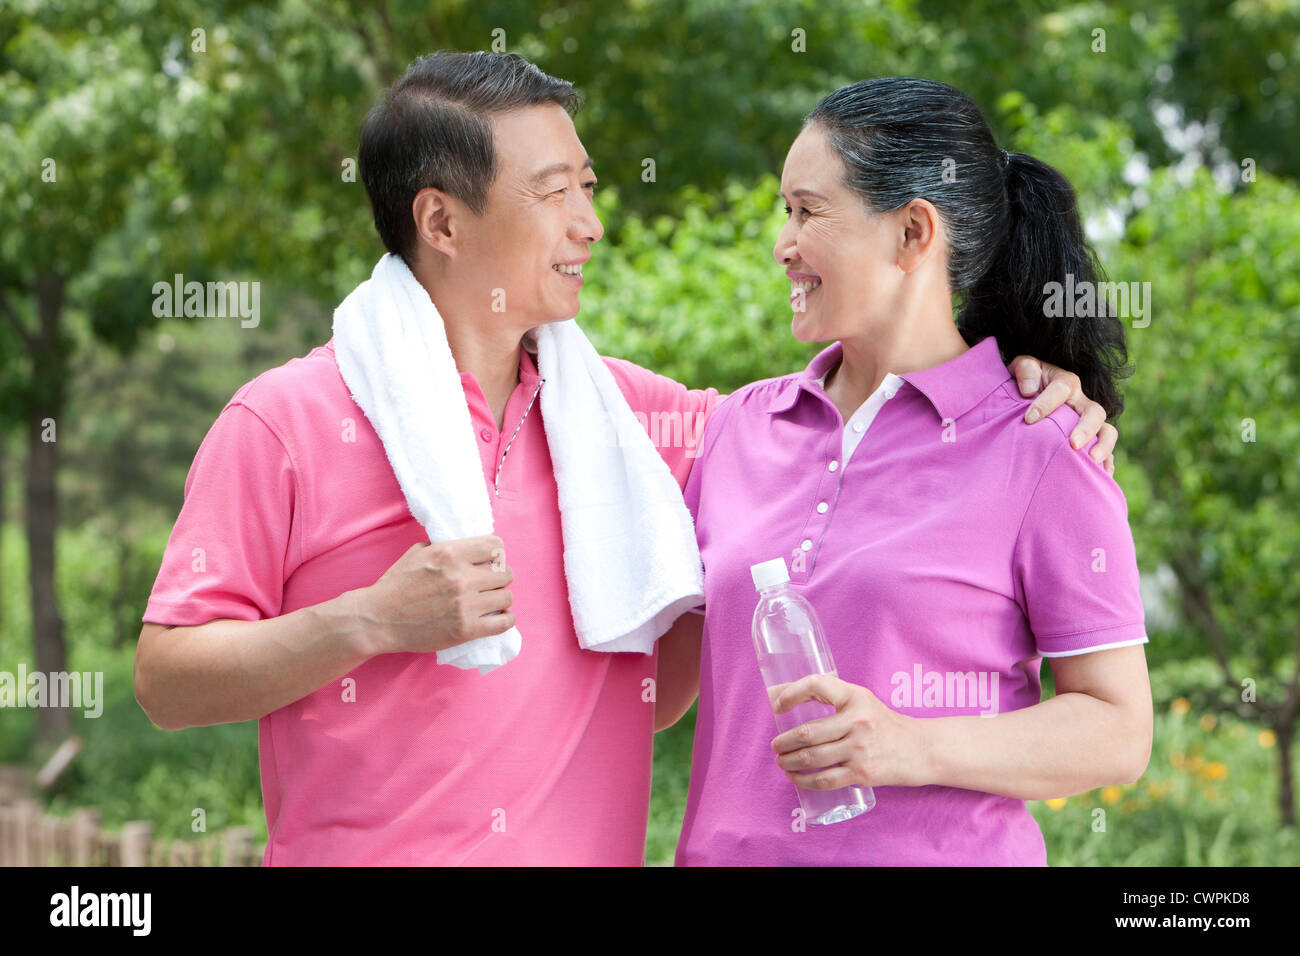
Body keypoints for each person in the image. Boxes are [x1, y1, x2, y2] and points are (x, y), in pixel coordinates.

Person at [134, 54, 1116, 866]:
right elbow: (165, 680)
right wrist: (368, 620)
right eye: (554, 192)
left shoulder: (642, 425)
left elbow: (866, 422)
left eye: (590, 187)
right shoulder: (286, 419)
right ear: (441, 221)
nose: (591, 223)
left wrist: (1035, 382)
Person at [660, 77, 1151, 866]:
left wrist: (910, 746)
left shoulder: (1042, 445)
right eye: (784, 211)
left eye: (808, 211)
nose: (782, 244)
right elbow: (657, 686)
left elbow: (1118, 729)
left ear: (913, 233)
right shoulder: (736, 429)